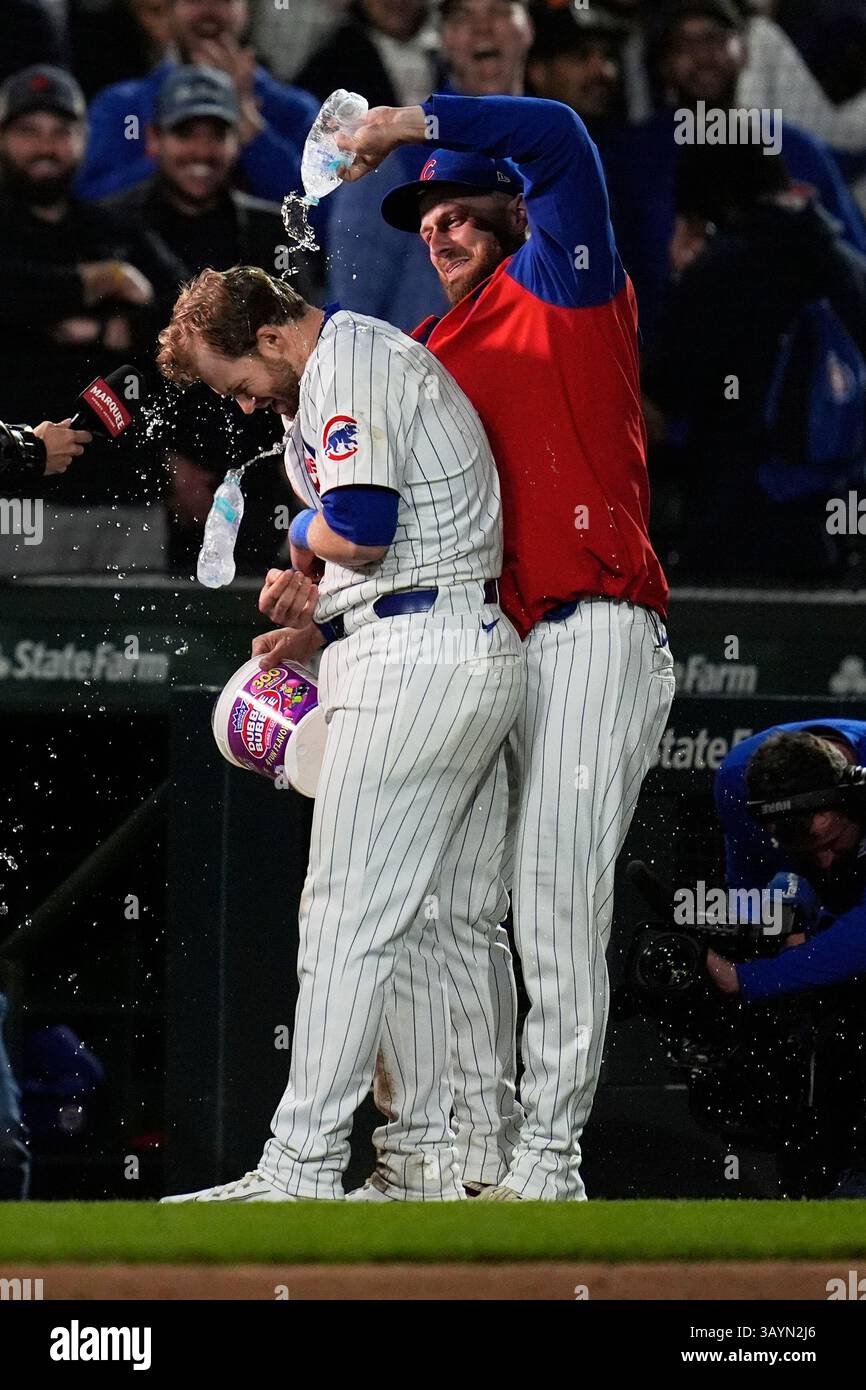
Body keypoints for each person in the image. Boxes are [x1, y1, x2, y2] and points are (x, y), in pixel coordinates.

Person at [334, 89, 675, 1201]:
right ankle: (466, 1149)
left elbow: (565, 135)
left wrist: (406, 121)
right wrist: (311, 580)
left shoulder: (561, 281)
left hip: (591, 624)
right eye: (424, 221)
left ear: (515, 214)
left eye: (461, 212)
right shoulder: (429, 346)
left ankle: (549, 1157)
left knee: (553, 891)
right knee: (447, 900)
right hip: (481, 642)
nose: (436, 230)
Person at [156, 266, 526, 1201]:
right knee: (438, 922)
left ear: (273, 336)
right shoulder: (338, 370)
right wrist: (317, 623)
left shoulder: (348, 362)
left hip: (419, 658)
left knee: (345, 920)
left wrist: (298, 548)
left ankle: (302, 1166)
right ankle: (452, 1163)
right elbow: (374, 545)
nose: (240, 406)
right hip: (439, 638)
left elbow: (359, 526)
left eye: (235, 380)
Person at [100, 64, 302, 573]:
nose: (201, 152)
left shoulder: (269, 233)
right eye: (185, 134)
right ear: (153, 140)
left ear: (237, 143)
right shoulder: (113, 228)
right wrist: (164, 466)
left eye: (216, 135)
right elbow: (100, 363)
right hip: (136, 484)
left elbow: (297, 355)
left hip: (262, 475)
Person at [642, 142, 866, 585]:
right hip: (840, 533)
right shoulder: (848, 266)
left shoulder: (718, 270)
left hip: (737, 530)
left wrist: (682, 273)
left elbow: (658, 406)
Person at [0, 64, 185, 574]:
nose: (46, 147)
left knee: (138, 649)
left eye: (61, 132)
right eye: (27, 131)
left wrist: (101, 328)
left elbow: (187, 317)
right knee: (20, 650)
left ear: (84, 138)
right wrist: (99, 283)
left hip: (125, 492)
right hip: (20, 496)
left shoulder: (115, 227)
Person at [602, 0, 866, 347]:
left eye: (715, 39)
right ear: (663, 66)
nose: (702, 56)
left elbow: (851, 263)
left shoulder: (796, 147)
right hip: (673, 369)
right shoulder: (631, 158)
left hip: (785, 371)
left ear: (743, 52)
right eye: (684, 45)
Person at [706, 722, 866, 1194]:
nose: (825, 861)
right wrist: (780, 937)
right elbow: (749, 896)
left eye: (832, 841)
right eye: (805, 850)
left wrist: (748, 978)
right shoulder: (737, 783)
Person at [325, 0, 535, 336]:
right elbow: (353, 319)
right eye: (464, 16)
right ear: (444, 40)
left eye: (499, 11)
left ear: (528, 29)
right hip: (426, 380)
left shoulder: (561, 148)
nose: (483, 28)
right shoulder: (392, 154)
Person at [75, 0, 319, 203]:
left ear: (245, 10)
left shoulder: (294, 111)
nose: (208, 10)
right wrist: (171, 162)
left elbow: (321, 218)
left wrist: (254, 136)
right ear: (168, 11)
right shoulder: (122, 107)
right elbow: (86, 203)